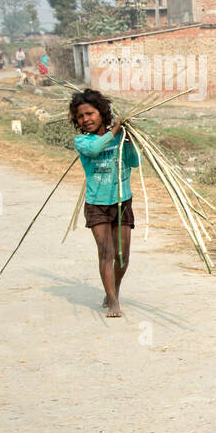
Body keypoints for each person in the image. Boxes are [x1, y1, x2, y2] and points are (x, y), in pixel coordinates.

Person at [70, 89, 140, 318]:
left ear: (102, 113)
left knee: (123, 256)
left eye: (90, 113)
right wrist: (114, 132)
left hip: (122, 201)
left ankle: (114, 289)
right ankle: (112, 301)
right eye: (80, 116)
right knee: (106, 252)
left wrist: (128, 140)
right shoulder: (82, 141)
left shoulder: (119, 137)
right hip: (97, 204)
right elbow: (94, 149)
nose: (86, 119)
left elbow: (134, 162)